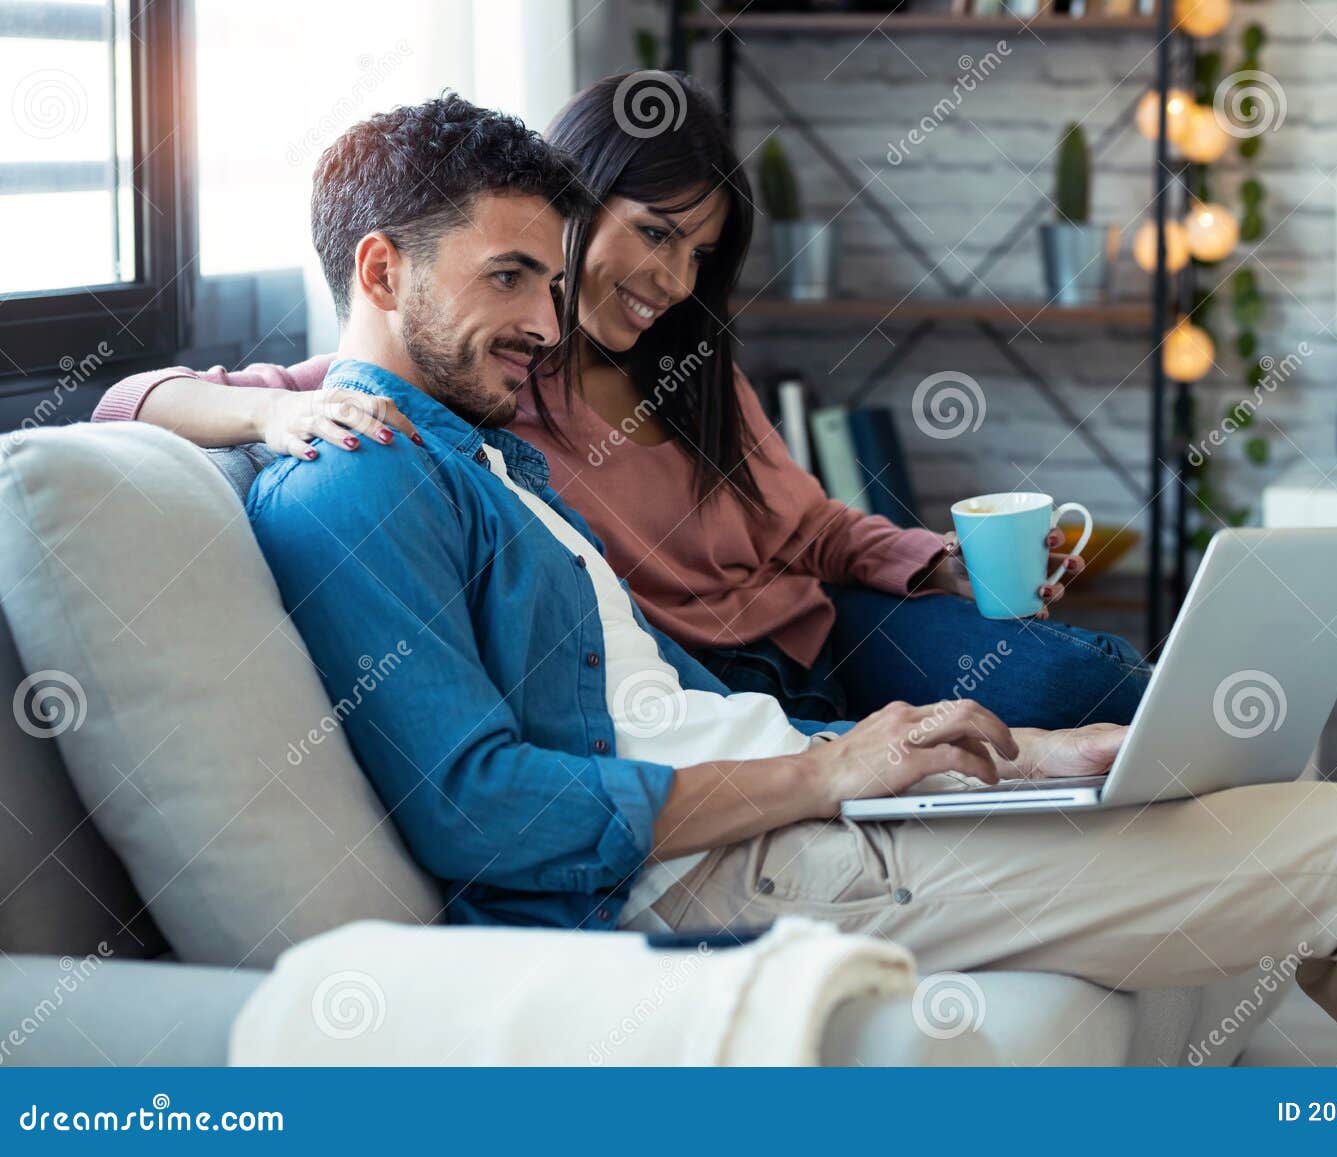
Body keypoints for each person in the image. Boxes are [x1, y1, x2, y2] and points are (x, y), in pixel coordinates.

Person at [240, 94, 1337, 1067]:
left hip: (796, 769)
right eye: (512, 277)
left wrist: (957, 747)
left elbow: (724, 649)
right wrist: (829, 774)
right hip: (724, 865)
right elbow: (484, 815)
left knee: (1217, 787)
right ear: (379, 269)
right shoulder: (354, 467)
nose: (545, 321)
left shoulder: (481, 444)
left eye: (551, 273)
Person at [92, 72, 1148, 731]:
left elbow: (813, 526)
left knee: (1098, 675)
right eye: (653, 232)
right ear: (578, 205)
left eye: (699, 253)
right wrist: (267, 416)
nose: (675, 282)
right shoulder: (484, 368)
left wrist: (935, 564)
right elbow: (125, 403)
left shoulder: (690, 367)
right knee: (1060, 709)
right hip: (711, 683)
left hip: (824, 631)